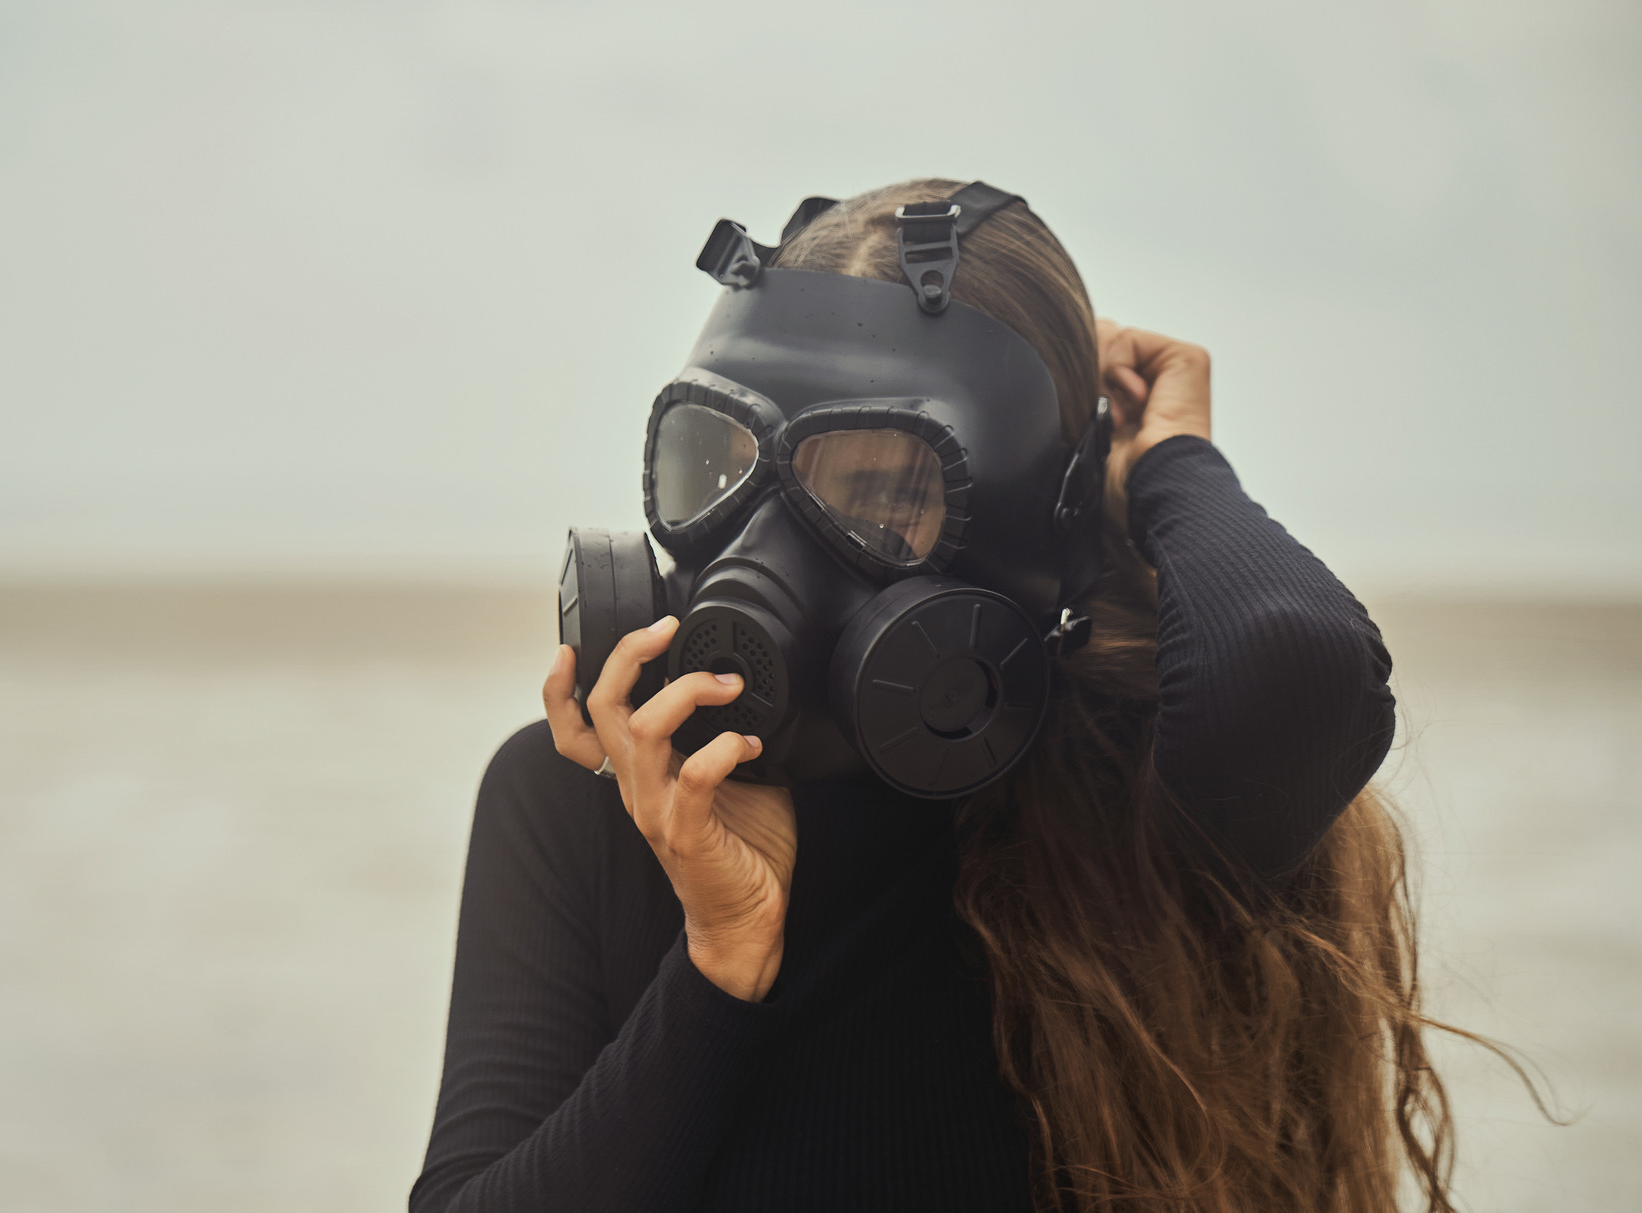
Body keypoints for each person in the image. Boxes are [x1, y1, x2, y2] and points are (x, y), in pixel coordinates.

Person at [408, 179, 1460, 1212]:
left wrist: (1169, 462)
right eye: (724, 464)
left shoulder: (1125, 794)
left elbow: (1296, 662)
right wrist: (719, 959)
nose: (760, 550)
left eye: (880, 497)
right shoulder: (579, 803)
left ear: (1039, 533)